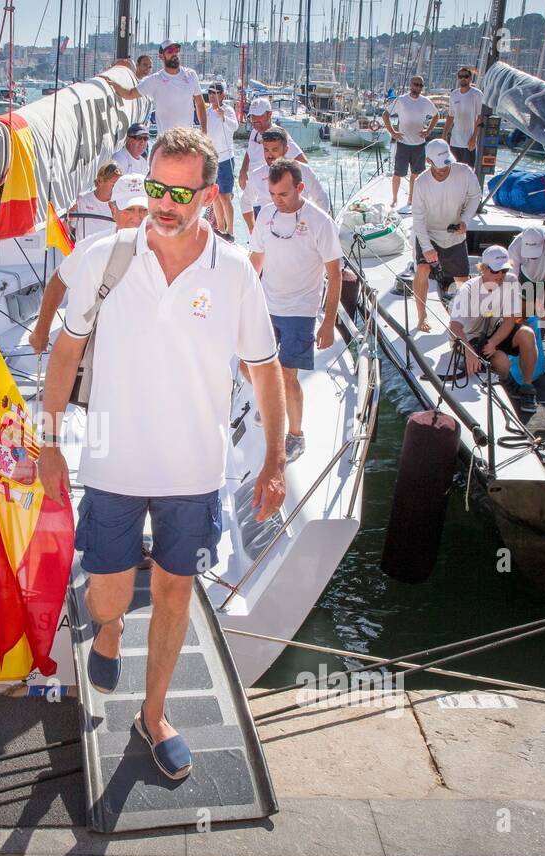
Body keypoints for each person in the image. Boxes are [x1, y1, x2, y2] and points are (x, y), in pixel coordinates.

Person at [39, 127, 287, 781]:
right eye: (156, 188)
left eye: (181, 193)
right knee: (106, 596)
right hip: (112, 464)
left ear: (209, 194)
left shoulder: (234, 272)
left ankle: (153, 715)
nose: (164, 204)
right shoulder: (104, 259)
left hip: (193, 472)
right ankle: (111, 630)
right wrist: (48, 442)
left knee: (176, 592)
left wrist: (274, 460)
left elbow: (264, 368)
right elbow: (65, 352)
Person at [248, 158, 342, 463]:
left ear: (300, 188)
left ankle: (296, 435)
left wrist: (328, 322)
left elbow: (335, 274)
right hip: (267, 305)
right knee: (249, 366)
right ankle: (272, 402)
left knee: (288, 375)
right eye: (272, 194)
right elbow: (255, 261)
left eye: (284, 194)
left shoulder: (320, 222)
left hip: (301, 311)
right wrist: (240, 301)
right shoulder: (266, 216)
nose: (277, 200)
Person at [29, 174, 150, 354]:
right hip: (105, 345)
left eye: (143, 210)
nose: (137, 218)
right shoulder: (91, 247)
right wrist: (41, 331)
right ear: (112, 208)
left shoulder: (167, 250)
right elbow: (59, 280)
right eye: (129, 209)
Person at [447, 245, 540, 413]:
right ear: (483, 268)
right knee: (502, 361)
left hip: (494, 330)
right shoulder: (467, 289)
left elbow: (510, 319)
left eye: (504, 270)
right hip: (470, 336)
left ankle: (527, 387)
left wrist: (493, 342)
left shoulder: (511, 280)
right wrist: (470, 352)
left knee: (527, 334)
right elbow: (455, 327)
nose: (501, 275)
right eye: (496, 271)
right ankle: (505, 381)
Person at [411, 139, 481, 332]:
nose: (444, 169)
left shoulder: (464, 172)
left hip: (454, 233)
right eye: (439, 166)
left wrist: (465, 220)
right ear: (429, 161)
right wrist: (426, 248)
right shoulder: (421, 183)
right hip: (429, 233)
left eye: (447, 164)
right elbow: (418, 218)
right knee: (423, 269)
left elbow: (475, 196)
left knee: (462, 279)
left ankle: (465, 320)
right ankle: (422, 317)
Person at [106, 40, 207, 136]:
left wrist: (204, 131)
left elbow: (200, 104)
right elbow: (129, 94)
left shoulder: (191, 75)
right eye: (170, 51)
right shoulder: (155, 80)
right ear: (161, 56)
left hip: (187, 139)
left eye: (176, 50)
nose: (174, 53)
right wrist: (113, 83)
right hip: (166, 140)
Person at [238, 99, 308, 231]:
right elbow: (249, 151)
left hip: (271, 200)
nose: (255, 120)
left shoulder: (279, 136)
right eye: (253, 116)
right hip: (254, 194)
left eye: (258, 116)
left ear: (269, 114)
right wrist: (243, 170)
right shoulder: (255, 132)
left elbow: (303, 162)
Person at [382, 75, 439, 208]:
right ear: (410, 85)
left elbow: (436, 116)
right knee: (398, 173)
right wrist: (393, 132)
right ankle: (394, 199)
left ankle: (411, 199)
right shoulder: (401, 100)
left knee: (416, 174)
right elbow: (385, 115)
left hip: (419, 144)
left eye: (420, 85)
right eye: (415, 84)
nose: (417, 87)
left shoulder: (425, 102)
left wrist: (428, 131)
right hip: (403, 143)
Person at [508, 224, 545, 326]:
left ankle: (540, 334)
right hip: (527, 273)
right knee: (522, 308)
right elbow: (512, 279)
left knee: (543, 314)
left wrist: (544, 305)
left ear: (544, 241)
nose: (532, 256)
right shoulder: (514, 247)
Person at [259, 126, 329, 212]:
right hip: (268, 220)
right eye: (266, 150)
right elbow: (246, 201)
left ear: (286, 150)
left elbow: (322, 200)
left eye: (275, 150)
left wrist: (315, 219)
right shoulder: (258, 175)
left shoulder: (304, 171)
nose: (270, 155)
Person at [205, 81, 239, 240]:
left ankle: (231, 232)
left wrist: (223, 116)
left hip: (225, 159)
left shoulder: (228, 110)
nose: (212, 95)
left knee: (225, 196)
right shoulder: (207, 112)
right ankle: (220, 229)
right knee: (215, 196)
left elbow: (235, 127)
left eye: (216, 92)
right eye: (210, 92)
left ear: (222, 95)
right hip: (212, 158)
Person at [70, 162, 121, 243]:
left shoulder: (120, 205)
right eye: (113, 185)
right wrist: (68, 218)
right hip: (84, 250)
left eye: (118, 186)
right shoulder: (82, 200)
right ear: (100, 181)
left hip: (109, 250)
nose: (117, 189)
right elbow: (68, 230)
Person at [444, 66, 484, 166]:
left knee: (468, 170)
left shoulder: (477, 94)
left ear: (470, 78)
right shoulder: (454, 94)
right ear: (458, 78)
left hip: (469, 142)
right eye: (460, 76)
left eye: (466, 76)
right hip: (454, 141)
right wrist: (444, 134)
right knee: (453, 169)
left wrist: (474, 138)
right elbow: (450, 116)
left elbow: (480, 117)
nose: (463, 78)